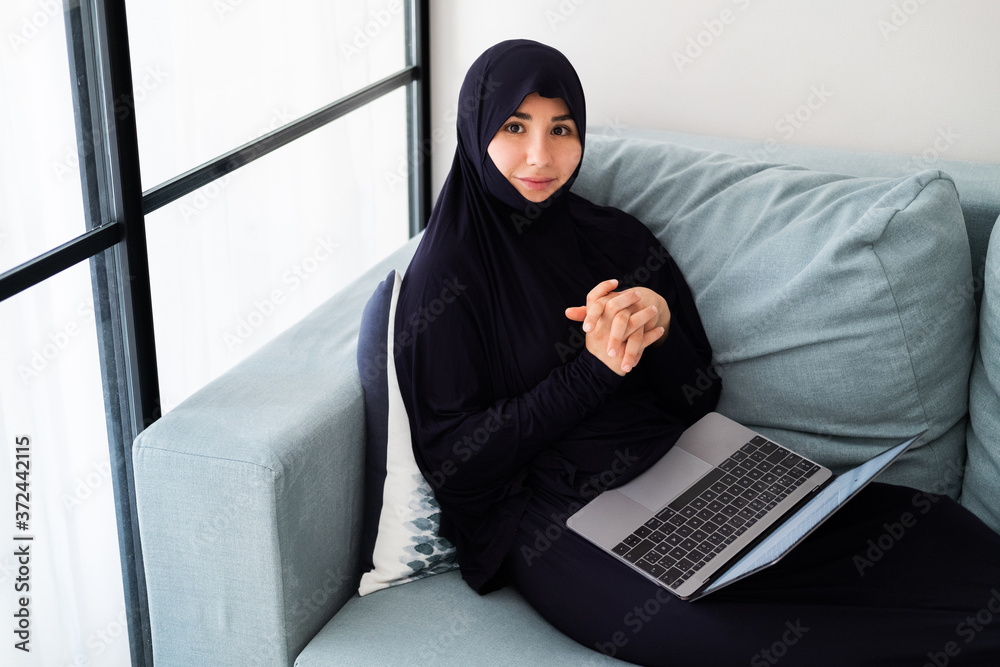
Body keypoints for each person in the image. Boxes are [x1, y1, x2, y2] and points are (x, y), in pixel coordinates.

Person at [393, 39, 1000, 665]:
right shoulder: (444, 279)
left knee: (931, 533)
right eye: (515, 126)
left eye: (562, 128)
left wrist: (661, 321)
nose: (541, 156)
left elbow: (697, 394)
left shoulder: (613, 237)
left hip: (677, 465)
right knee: (737, 639)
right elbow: (457, 461)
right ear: (475, 129)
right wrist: (592, 372)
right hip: (551, 515)